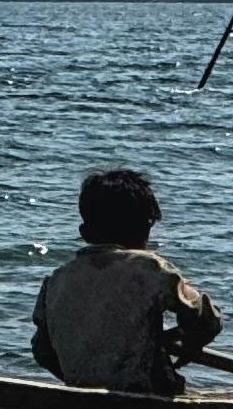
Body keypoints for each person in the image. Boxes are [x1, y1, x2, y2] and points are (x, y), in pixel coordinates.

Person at [31, 166, 222, 396]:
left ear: (84, 231)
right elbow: (206, 319)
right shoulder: (151, 269)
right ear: (146, 228)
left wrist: (84, 381)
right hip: (148, 394)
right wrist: (188, 342)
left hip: (81, 396)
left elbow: (43, 351)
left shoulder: (56, 280)